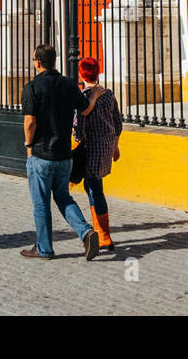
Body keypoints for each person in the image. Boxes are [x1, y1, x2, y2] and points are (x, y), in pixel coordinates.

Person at [20, 44, 106, 261]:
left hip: (41, 154)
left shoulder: (32, 87)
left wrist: (29, 147)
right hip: (64, 155)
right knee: (63, 197)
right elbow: (85, 108)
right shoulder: (68, 84)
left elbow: (30, 122)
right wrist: (94, 93)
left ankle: (44, 248)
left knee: (41, 203)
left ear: (38, 62)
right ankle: (86, 232)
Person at [73, 57, 123, 252]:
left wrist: (75, 139)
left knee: (94, 188)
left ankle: (103, 235)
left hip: (91, 149)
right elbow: (117, 122)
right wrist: (115, 145)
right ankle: (101, 231)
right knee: (94, 185)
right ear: (98, 72)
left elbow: (79, 126)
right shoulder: (108, 95)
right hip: (105, 146)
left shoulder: (84, 96)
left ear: (80, 74)